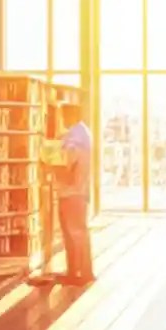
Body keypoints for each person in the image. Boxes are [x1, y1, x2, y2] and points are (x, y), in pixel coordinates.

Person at [56, 103, 94, 284]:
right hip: (80, 191)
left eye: (62, 115)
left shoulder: (74, 138)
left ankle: (79, 273)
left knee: (74, 232)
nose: (61, 119)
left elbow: (68, 165)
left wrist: (51, 166)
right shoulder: (84, 133)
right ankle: (79, 271)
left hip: (71, 192)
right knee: (79, 232)